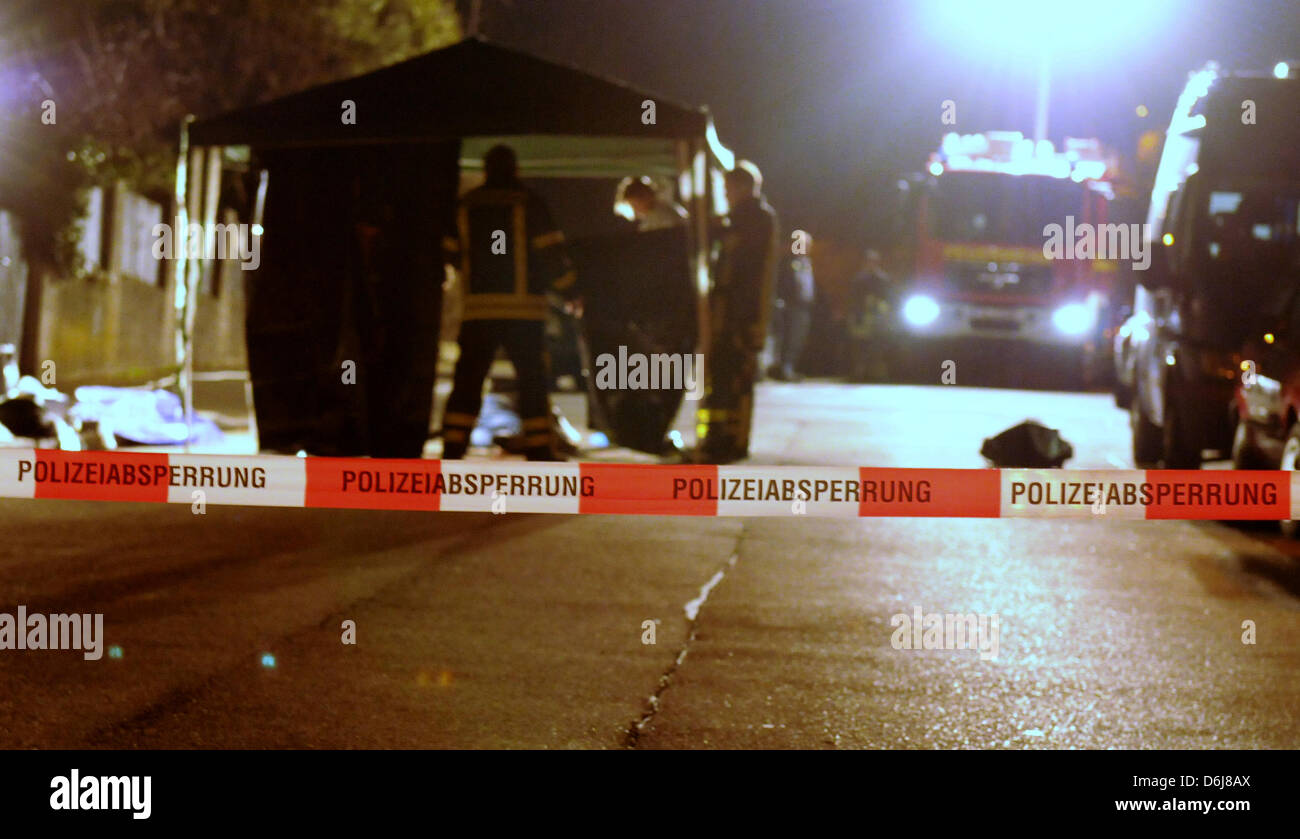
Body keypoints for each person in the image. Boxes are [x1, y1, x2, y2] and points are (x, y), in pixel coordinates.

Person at [440, 144, 577, 460]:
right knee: (531, 380)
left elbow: (448, 252)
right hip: (523, 311)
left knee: (468, 380)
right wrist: (570, 291)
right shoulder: (530, 204)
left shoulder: (465, 205)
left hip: (478, 310)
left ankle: (452, 447)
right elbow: (552, 256)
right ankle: (540, 447)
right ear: (515, 170)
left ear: (486, 171)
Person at [695, 160, 779, 463]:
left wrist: (743, 321)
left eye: (728, 188)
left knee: (732, 378)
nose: (725, 193)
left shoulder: (754, 218)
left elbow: (747, 272)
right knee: (726, 377)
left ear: (744, 187)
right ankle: (723, 438)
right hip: (735, 312)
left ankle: (726, 440)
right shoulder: (747, 217)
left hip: (739, 315)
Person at [767, 245, 815, 381]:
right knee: (788, 338)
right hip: (791, 305)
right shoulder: (787, 262)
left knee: (798, 339)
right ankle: (784, 369)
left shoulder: (807, 263)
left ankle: (790, 368)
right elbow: (781, 282)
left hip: (804, 306)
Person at [846, 249, 894, 382]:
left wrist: (885, 313)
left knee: (878, 346)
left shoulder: (883, 279)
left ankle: (877, 373)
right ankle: (859, 372)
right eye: (868, 261)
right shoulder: (858, 279)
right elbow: (854, 299)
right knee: (860, 346)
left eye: (874, 261)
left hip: (878, 318)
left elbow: (889, 298)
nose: (871, 264)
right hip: (862, 317)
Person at [618, 176, 688, 232]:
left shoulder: (663, 214)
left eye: (635, 205)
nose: (635, 209)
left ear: (645, 196)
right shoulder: (651, 218)